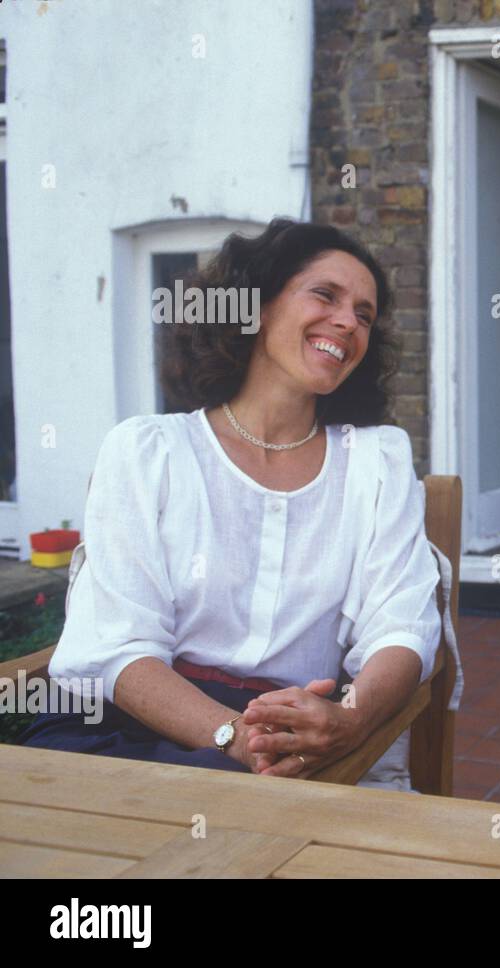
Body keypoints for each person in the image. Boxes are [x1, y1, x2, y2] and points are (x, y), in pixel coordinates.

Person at [21, 219, 460, 788]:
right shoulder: (148, 451)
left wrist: (350, 721)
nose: (349, 321)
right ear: (254, 306)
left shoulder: (378, 463)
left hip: (297, 743)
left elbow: (400, 627)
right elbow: (116, 644)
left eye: (365, 314)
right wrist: (237, 739)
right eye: (325, 295)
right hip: (137, 731)